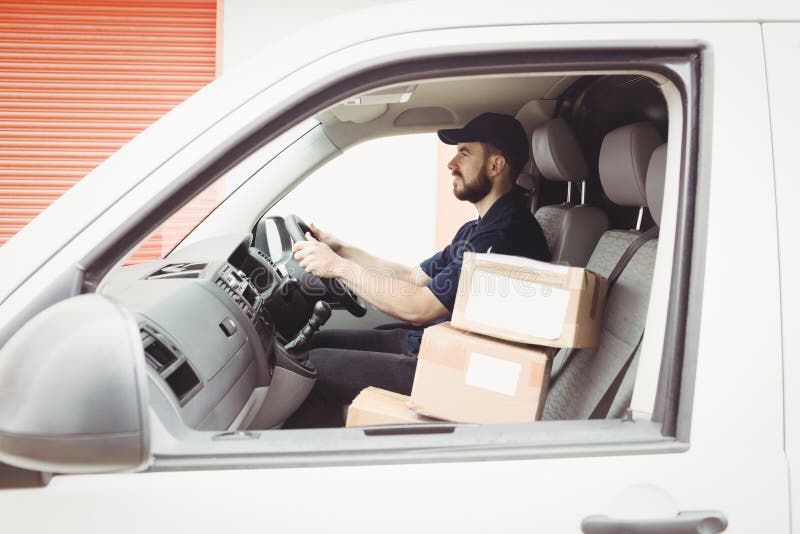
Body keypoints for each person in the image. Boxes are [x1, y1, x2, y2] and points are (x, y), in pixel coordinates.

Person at [283, 112, 550, 428]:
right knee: (314, 343)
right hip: (437, 347)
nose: (451, 164)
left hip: (463, 370)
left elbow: (420, 308)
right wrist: (344, 251)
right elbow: (413, 278)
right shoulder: (477, 229)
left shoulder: (503, 235)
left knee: (309, 368)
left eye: (464, 153)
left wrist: (339, 268)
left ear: (495, 166)